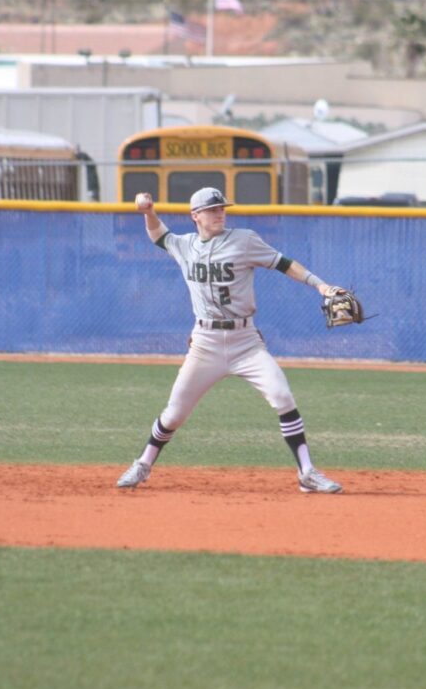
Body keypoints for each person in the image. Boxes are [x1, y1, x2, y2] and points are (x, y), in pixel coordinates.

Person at [117, 186, 344, 493]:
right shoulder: (184, 245)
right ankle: (143, 464)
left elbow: (284, 263)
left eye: (222, 208)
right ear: (195, 216)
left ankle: (307, 472)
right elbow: (159, 236)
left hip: (245, 342)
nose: (220, 213)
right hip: (205, 342)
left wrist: (320, 285)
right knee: (174, 414)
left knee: (283, 397)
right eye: (212, 210)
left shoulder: (244, 240)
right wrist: (148, 212)